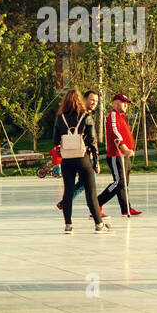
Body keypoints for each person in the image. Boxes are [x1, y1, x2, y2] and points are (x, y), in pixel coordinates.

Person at [54, 89, 110, 234]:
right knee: (91, 192)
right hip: (83, 159)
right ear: (80, 100)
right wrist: (96, 162)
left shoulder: (60, 118)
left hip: (67, 161)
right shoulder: (86, 117)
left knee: (68, 192)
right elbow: (93, 142)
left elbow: (55, 141)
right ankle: (99, 225)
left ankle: (68, 225)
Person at [98, 92, 140, 218]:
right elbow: (115, 132)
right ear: (116, 103)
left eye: (127, 103)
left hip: (124, 156)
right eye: (124, 102)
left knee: (124, 183)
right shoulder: (113, 115)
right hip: (116, 154)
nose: (126, 105)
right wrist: (124, 147)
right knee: (119, 182)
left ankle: (126, 208)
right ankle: (97, 203)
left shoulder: (121, 117)